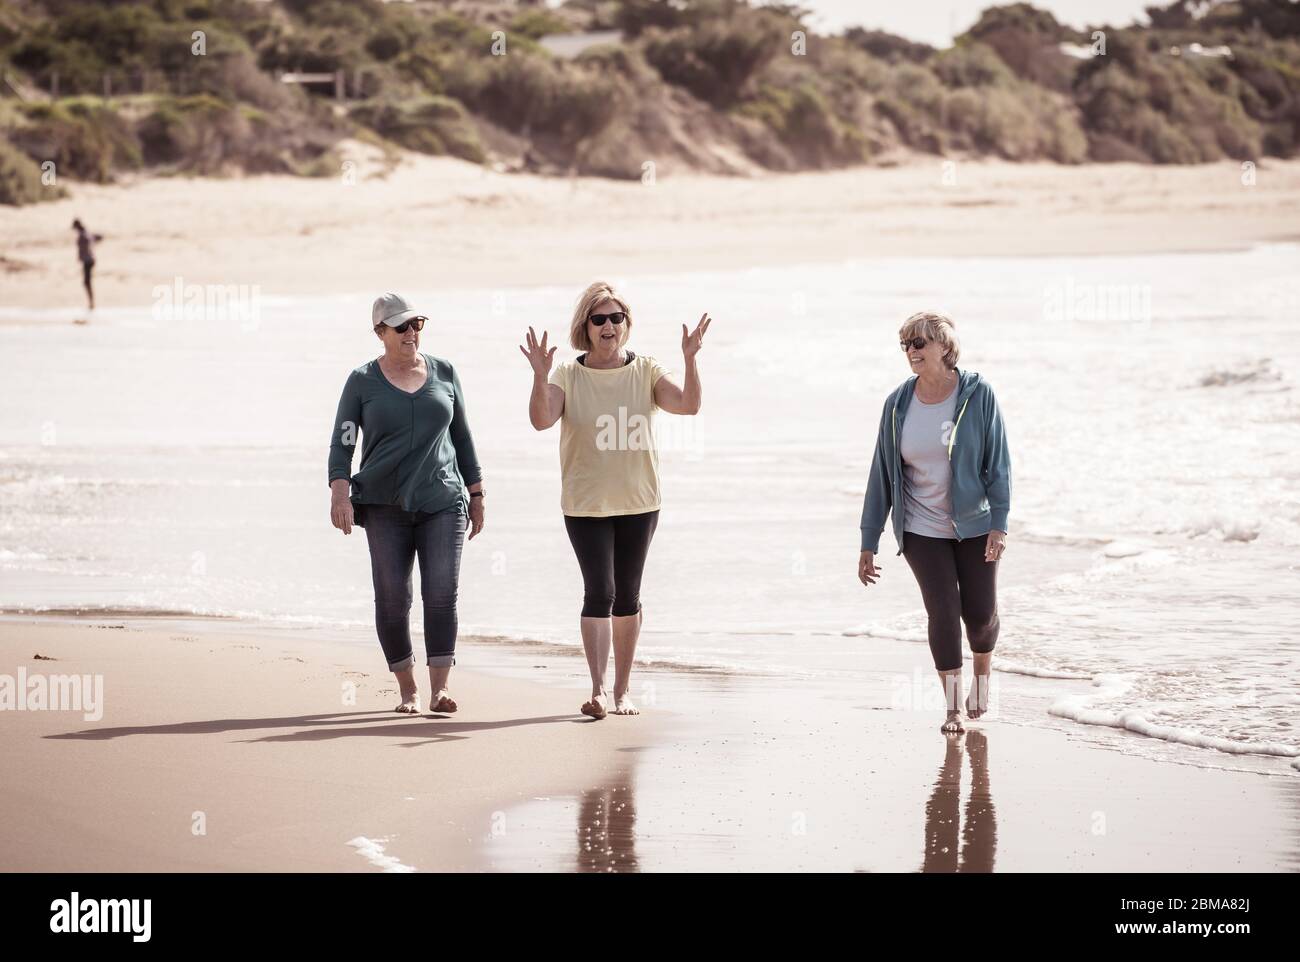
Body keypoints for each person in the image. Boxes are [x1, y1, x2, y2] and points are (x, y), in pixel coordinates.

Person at [520, 281, 710, 719]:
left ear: (626, 325)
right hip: (585, 505)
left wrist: (690, 359)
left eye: (616, 318)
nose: (608, 326)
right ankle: (597, 690)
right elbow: (541, 420)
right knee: (598, 592)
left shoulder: (645, 370)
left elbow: (688, 406)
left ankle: (623, 690)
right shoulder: (568, 374)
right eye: (599, 319)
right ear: (584, 327)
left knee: (628, 595)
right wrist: (538, 375)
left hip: (639, 502)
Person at [328, 292, 485, 715]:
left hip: (443, 499)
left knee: (441, 593)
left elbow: (463, 437)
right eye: (401, 327)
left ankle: (440, 689)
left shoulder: (445, 372)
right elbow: (344, 440)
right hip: (382, 504)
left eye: (417, 324)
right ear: (380, 333)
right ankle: (408, 689)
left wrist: (477, 492)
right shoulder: (361, 381)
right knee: (393, 597)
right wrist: (339, 491)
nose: (411, 333)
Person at [858, 312, 1011, 734]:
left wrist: (1000, 523)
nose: (911, 351)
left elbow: (998, 465)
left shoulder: (979, 396)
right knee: (942, 610)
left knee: (979, 615)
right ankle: (952, 709)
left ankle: (982, 673)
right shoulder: (897, 404)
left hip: (975, 524)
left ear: (945, 347)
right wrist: (868, 541)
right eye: (906, 345)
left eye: (919, 343)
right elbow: (880, 474)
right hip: (921, 528)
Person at [72, 219, 102, 310]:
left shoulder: (83, 235)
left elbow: (89, 241)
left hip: (88, 260)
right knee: (87, 282)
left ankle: (91, 302)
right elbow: (95, 238)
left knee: (87, 282)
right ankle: (91, 302)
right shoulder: (85, 233)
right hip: (89, 259)